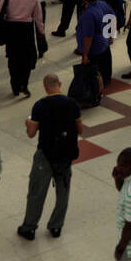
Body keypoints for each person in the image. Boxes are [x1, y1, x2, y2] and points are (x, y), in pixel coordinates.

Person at [18, 73, 82, 240]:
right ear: (60, 84)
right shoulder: (73, 104)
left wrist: (28, 123)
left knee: (37, 191)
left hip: (45, 154)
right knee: (63, 191)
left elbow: (31, 134)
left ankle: (29, 227)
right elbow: (80, 129)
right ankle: (56, 226)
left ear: (45, 88)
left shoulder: (40, 106)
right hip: (66, 155)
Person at [0, 0, 48, 96]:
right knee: (27, 58)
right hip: (26, 29)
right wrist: (41, 32)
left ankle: (14, 85)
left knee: (13, 58)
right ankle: (24, 84)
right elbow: (38, 17)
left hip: (11, 28)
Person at [76, 0, 116, 91]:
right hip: (104, 42)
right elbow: (112, 17)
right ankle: (106, 80)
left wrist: (85, 55)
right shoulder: (103, 4)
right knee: (105, 64)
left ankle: (96, 88)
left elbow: (88, 37)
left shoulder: (88, 14)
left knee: (94, 70)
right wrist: (111, 36)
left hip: (94, 47)